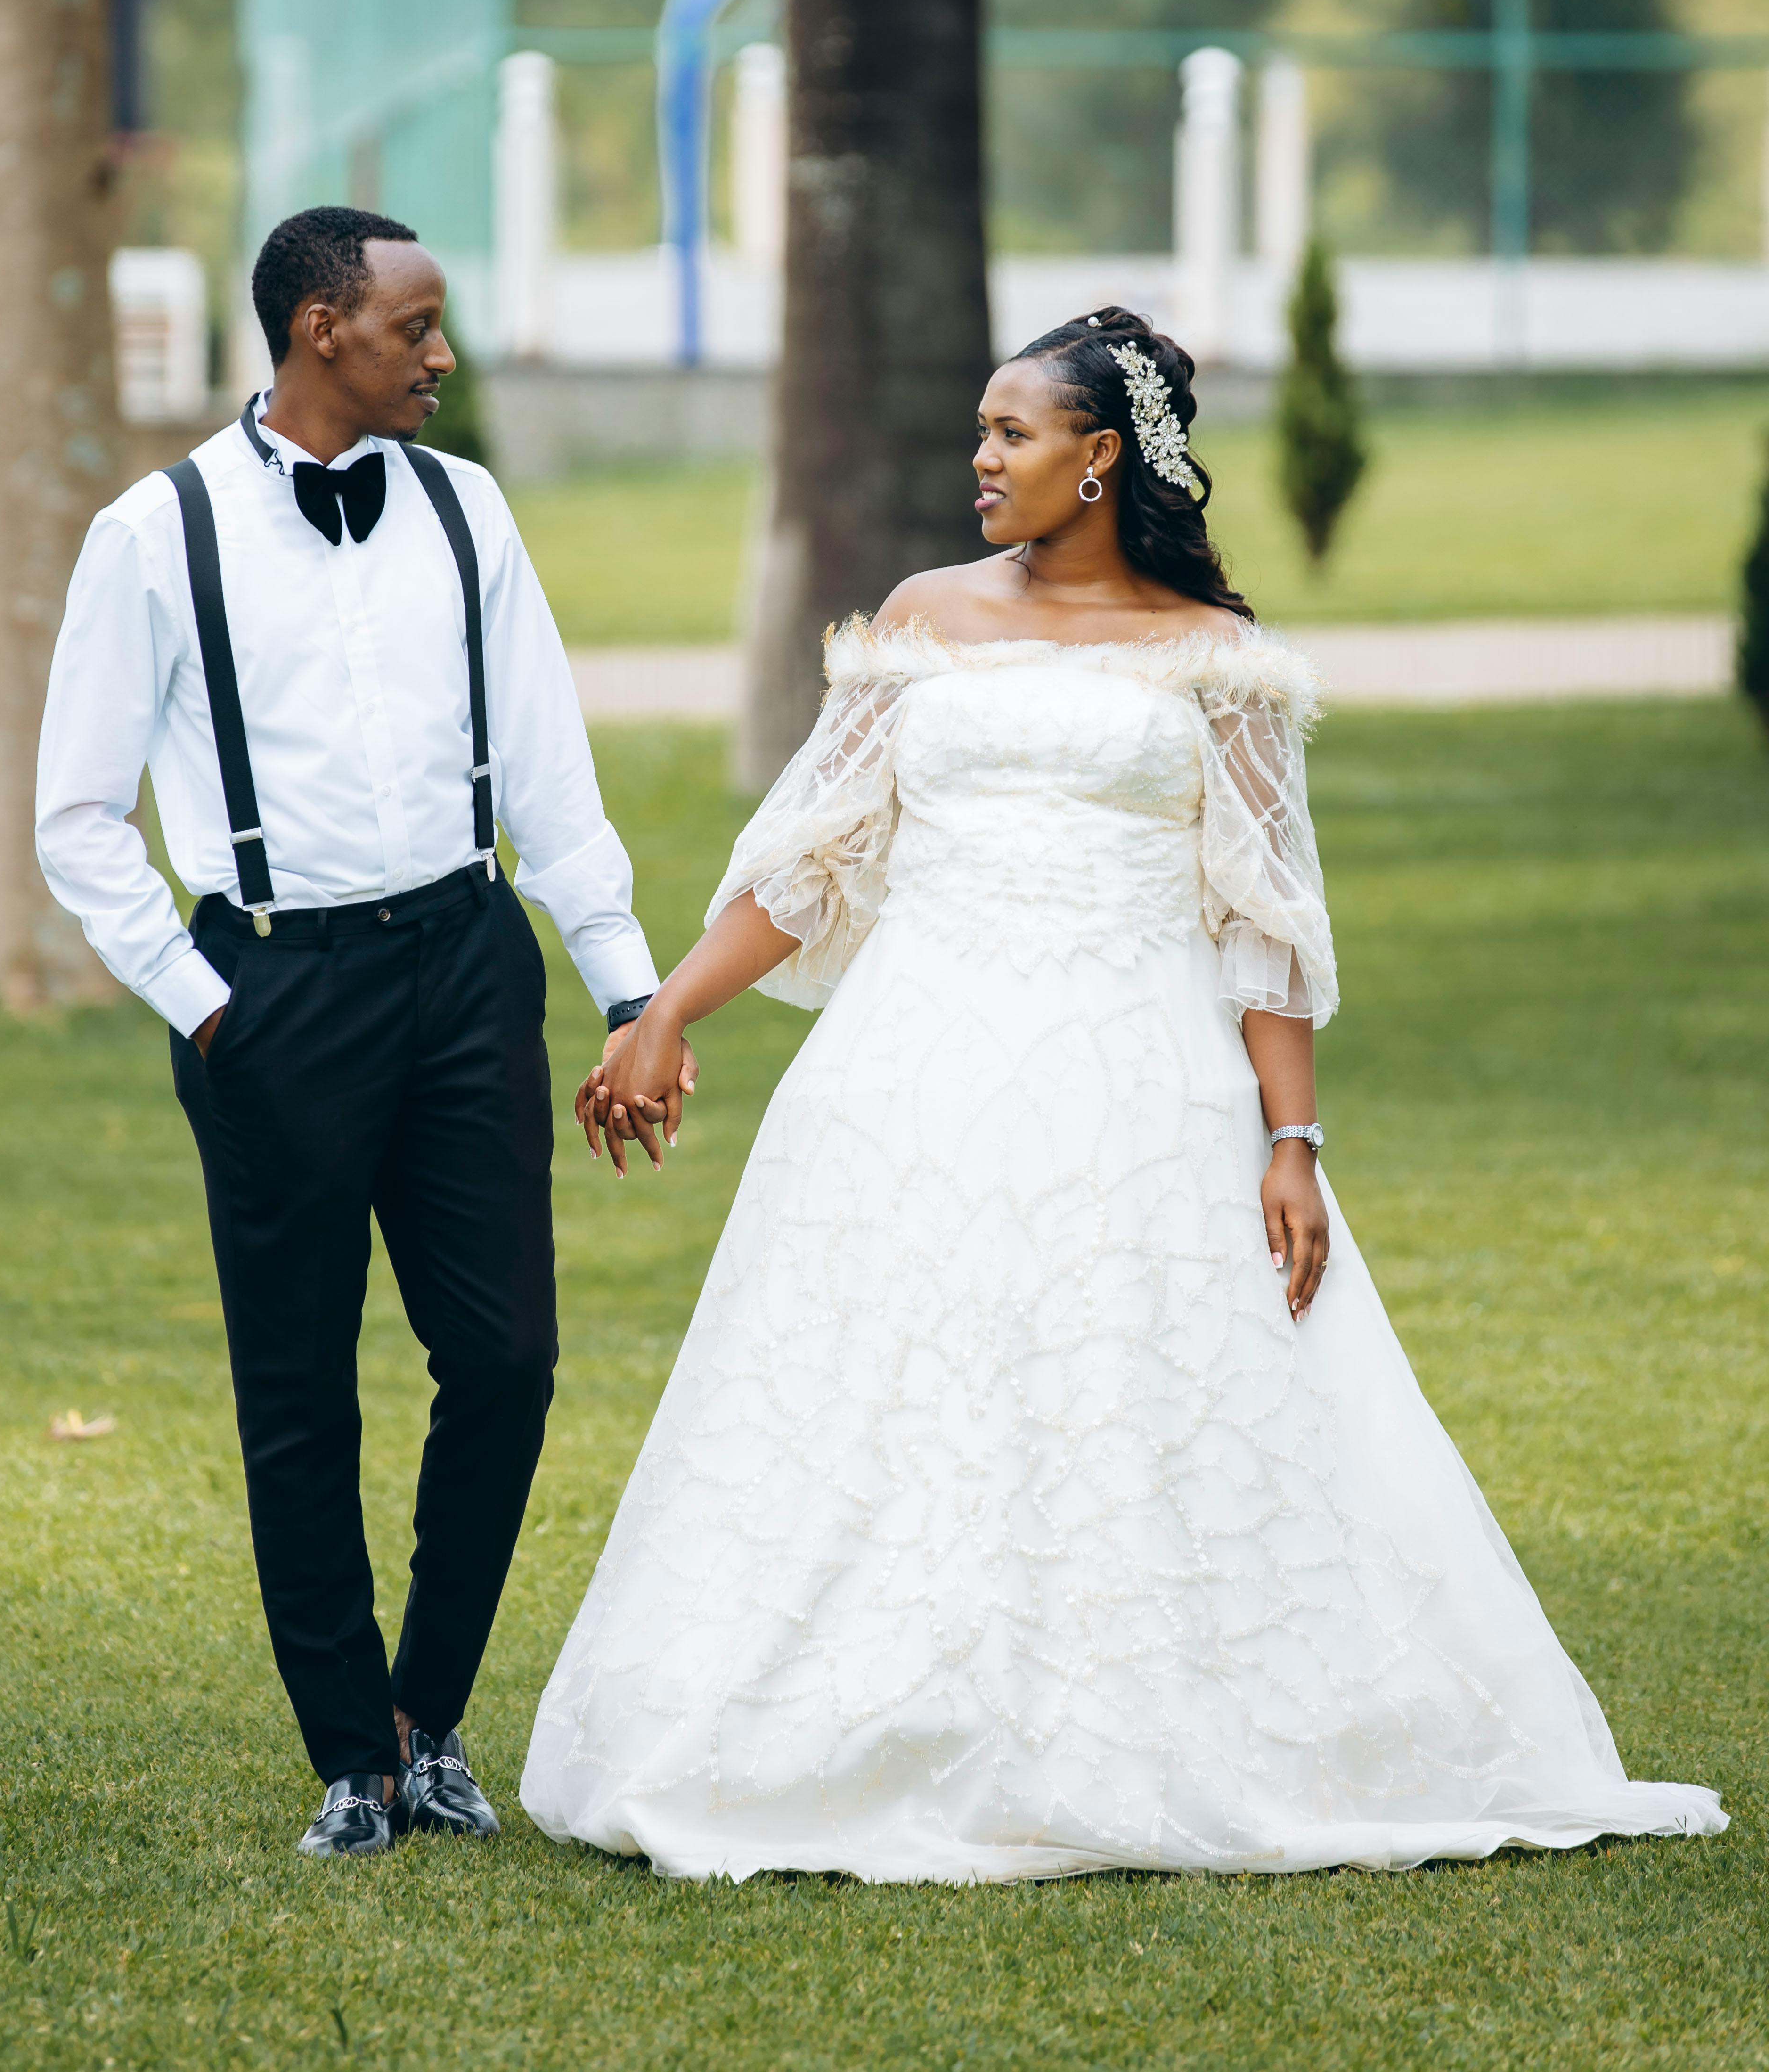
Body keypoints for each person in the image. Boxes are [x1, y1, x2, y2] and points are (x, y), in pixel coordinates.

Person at [521, 307, 1726, 1884]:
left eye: (1011, 436)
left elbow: (1262, 924)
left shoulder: (1217, 660)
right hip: (912, 1073)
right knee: (896, 1394)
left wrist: (1292, 1143)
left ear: (1099, 459)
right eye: (978, 434)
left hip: (1137, 1078)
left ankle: (1138, 1715)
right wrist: (668, 1008)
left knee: (1127, 1385)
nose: (981, 462)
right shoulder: (919, 619)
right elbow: (815, 867)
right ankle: (870, 1705)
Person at [36, 207, 664, 1862]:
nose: (441, 353)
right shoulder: (155, 534)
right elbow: (78, 816)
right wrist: (209, 1003)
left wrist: (627, 988)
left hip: (465, 968)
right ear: (324, 329)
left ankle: (430, 1714)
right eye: (417, 325)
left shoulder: (467, 511)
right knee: (300, 1390)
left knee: (508, 1362)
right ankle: (350, 1759)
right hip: (275, 996)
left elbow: (551, 779)